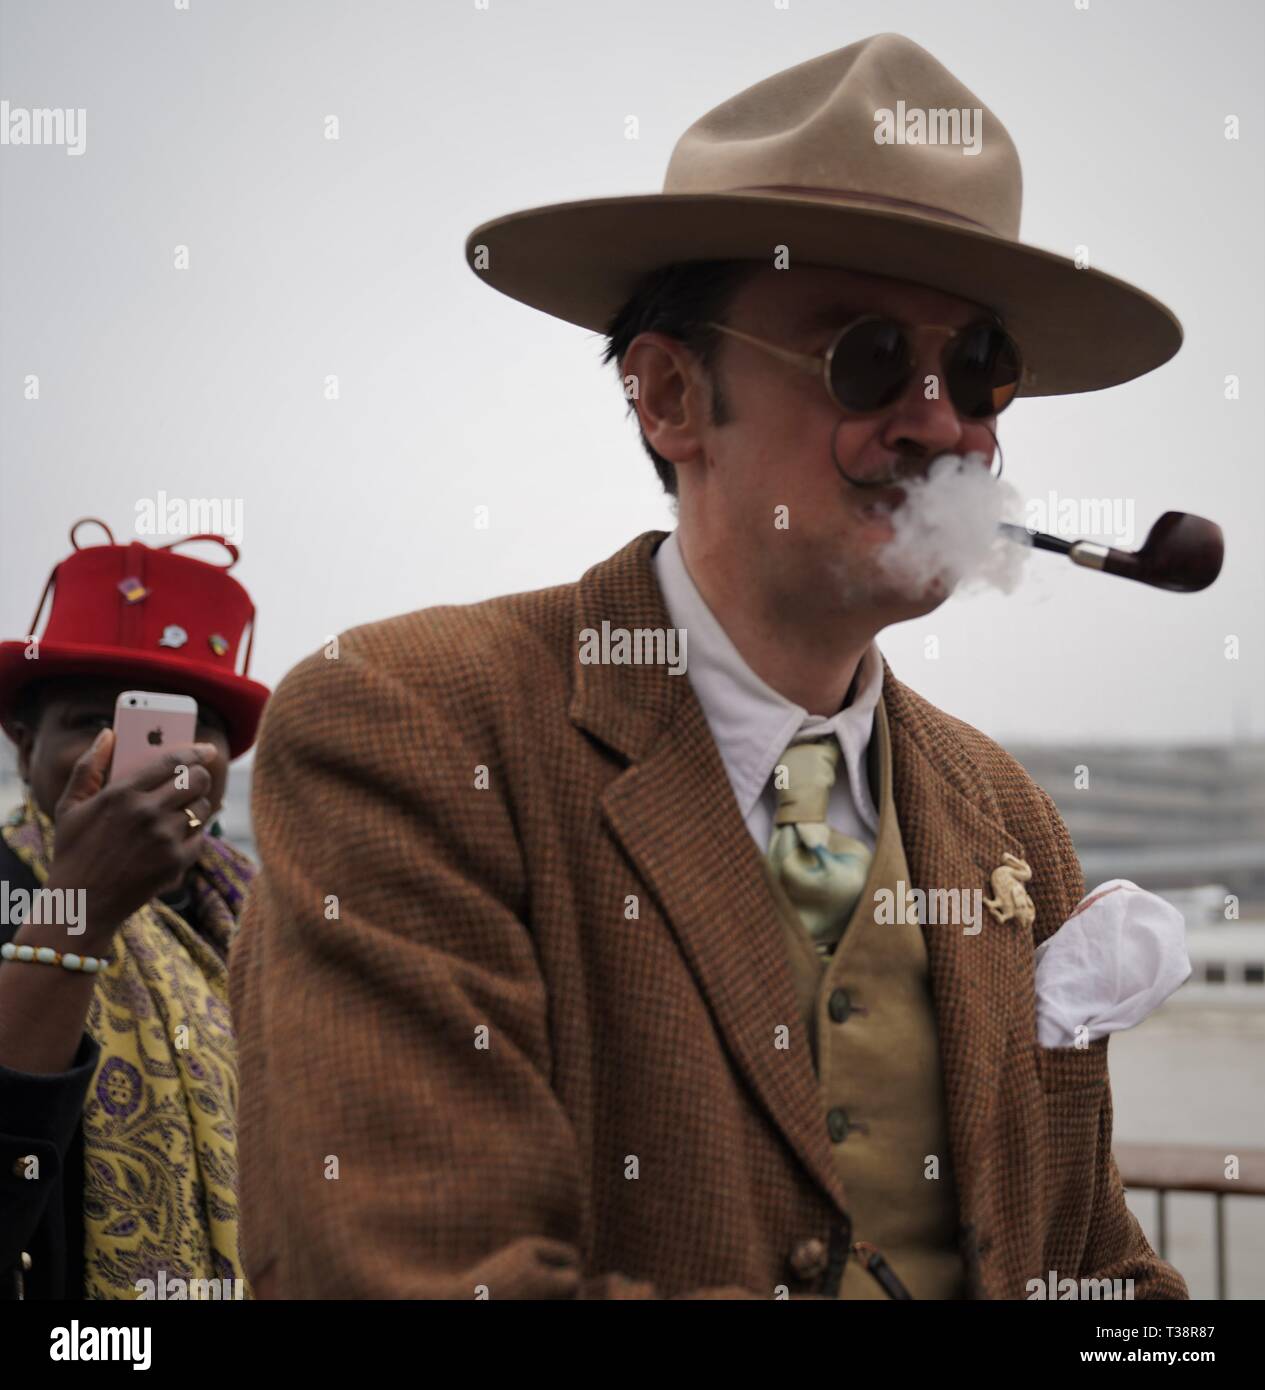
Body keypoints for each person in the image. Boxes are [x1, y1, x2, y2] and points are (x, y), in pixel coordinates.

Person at [232, 34, 1188, 1298]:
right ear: (671, 398)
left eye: (978, 372)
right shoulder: (409, 729)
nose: (940, 423)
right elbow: (411, 1276)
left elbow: (1091, 1275)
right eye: (863, 357)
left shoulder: (1006, 820)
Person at [0, 520, 269, 1299]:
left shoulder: (268, 916)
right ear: (23, 747)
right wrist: (83, 903)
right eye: (92, 720)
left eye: (190, 728)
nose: (141, 754)